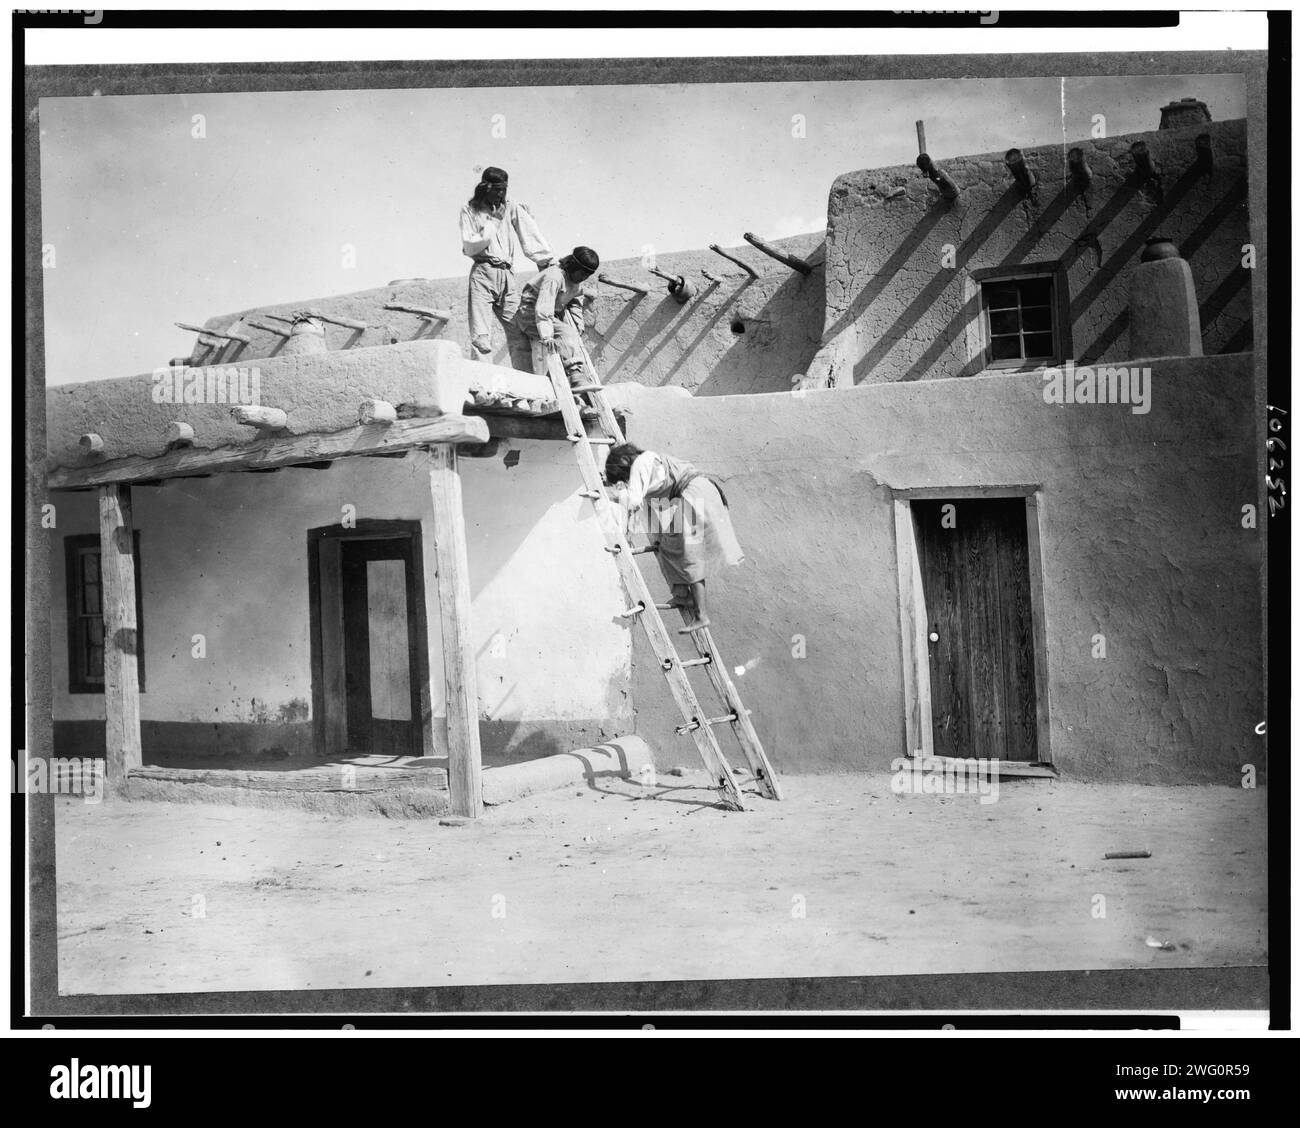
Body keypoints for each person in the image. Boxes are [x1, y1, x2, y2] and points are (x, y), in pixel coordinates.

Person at [603, 442, 744, 633]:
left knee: (689, 554)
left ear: (624, 462)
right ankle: (682, 594)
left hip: (695, 495)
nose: (628, 480)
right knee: (668, 545)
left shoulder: (639, 465)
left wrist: (611, 494)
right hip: (701, 491)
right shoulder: (653, 459)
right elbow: (653, 499)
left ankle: (701, 615)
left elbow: (635, 500)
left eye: (624, 477)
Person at [459, 166, 554, 369]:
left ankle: (527, 382)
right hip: (483, 273)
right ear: (486, 188)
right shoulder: (470, 210)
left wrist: (546, 260)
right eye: (497, 190)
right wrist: (494, 221)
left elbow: (528, 232)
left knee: (518, 332)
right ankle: (483, 387)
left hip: (507, 275)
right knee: (481, 336)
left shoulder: (509, 205)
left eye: (504, 189)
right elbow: (470, 245)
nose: (501, 194)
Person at [511, 245, 600, 387]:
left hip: (549, 316)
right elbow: (543, 307)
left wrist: (578, 326)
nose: (583, 278)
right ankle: (574, 374)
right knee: (566, 334)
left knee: (570, 336)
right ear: (573, 266)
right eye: (582, 274)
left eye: (587, 276)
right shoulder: (554, 277)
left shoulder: (575, 283)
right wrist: (547, 336)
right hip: (530, 314)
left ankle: (554, 377)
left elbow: (576, 300)